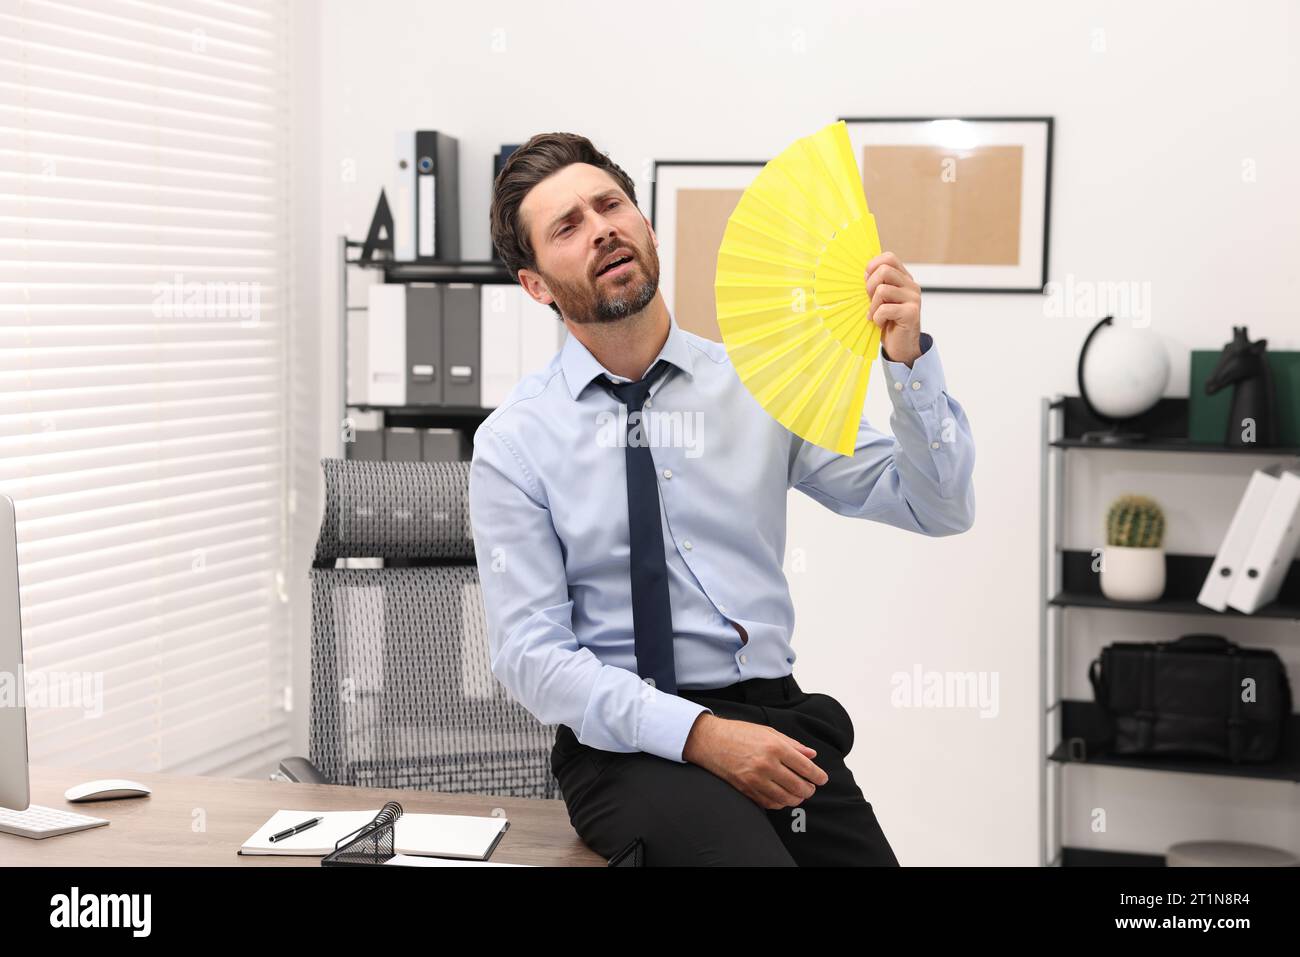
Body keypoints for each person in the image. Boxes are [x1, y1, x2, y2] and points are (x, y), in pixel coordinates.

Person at [469, 131, 975, 866]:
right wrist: (701, 734)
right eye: (567, 226)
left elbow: (937, 505)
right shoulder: (516, 442)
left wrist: (907, 361)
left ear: (645, 226)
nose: (601, 227)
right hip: (624, 746)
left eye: (611, 204)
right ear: (537, 284)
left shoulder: (758, 384)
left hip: (773, 715)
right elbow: (532, 657)